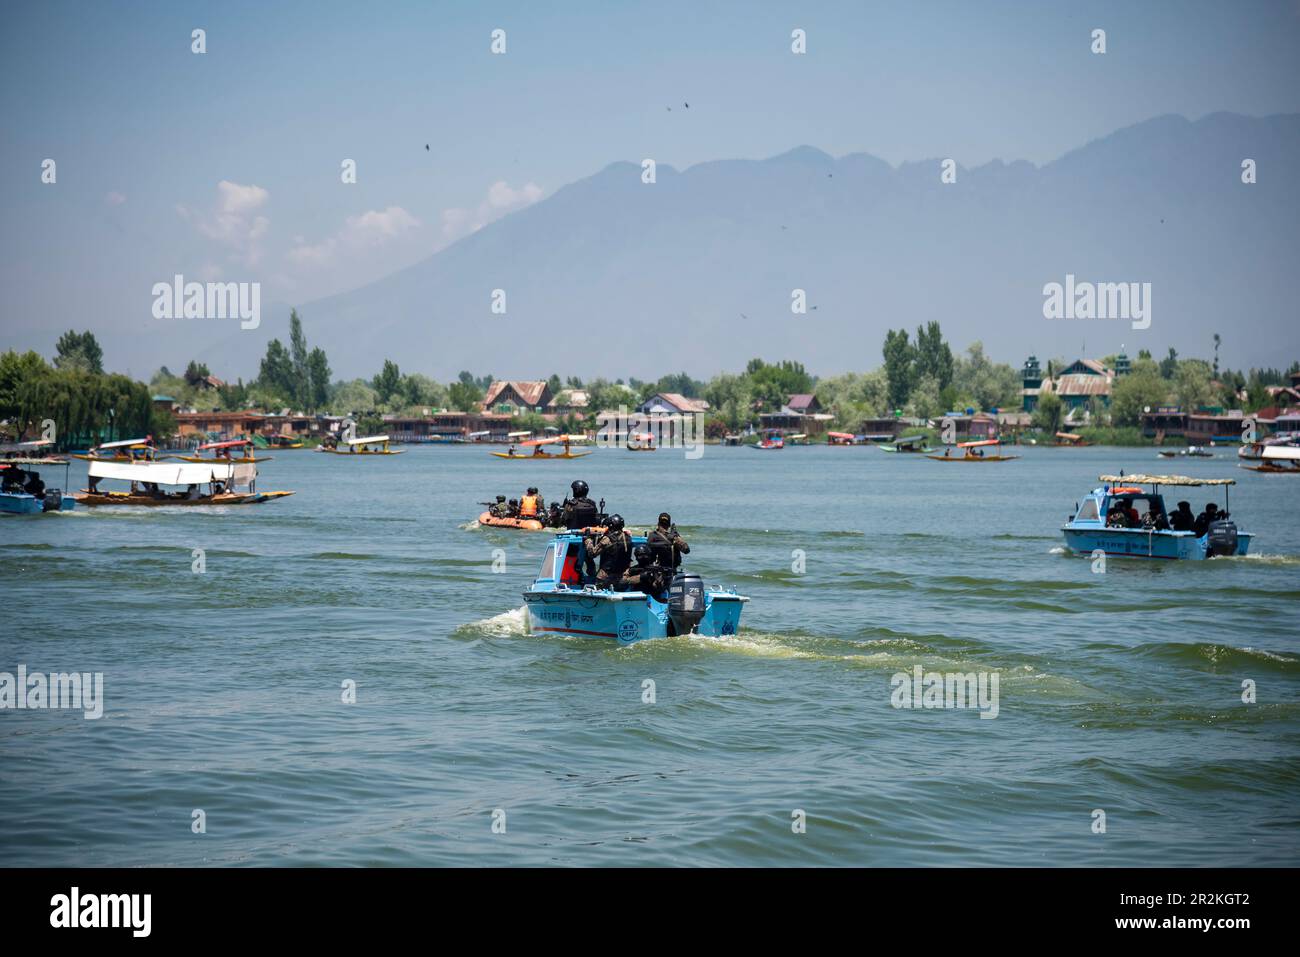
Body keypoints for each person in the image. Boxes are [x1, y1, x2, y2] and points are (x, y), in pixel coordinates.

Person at [587, 514, 633, 588]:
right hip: (622, 576)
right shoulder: (628, 538)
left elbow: (592, 554)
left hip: (606, 576)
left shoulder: (608, 539)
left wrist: (588, 539)